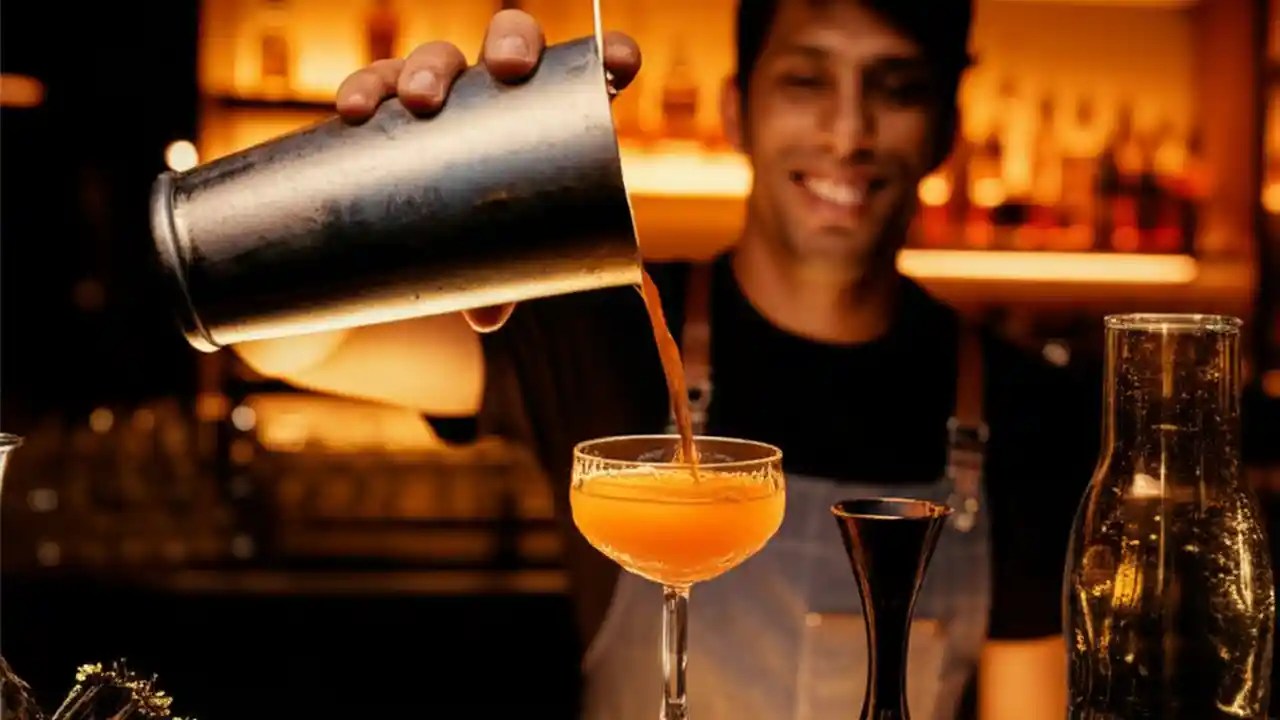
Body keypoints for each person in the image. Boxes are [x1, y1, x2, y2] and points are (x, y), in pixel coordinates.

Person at [234, 3, 1100, 719]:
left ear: (946, 128)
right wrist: (366, 170)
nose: (848, 131)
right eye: (806, 80)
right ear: (736, 111)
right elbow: (289, 340)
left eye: (895, 89)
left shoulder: (1030, 411)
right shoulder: (598, 328)